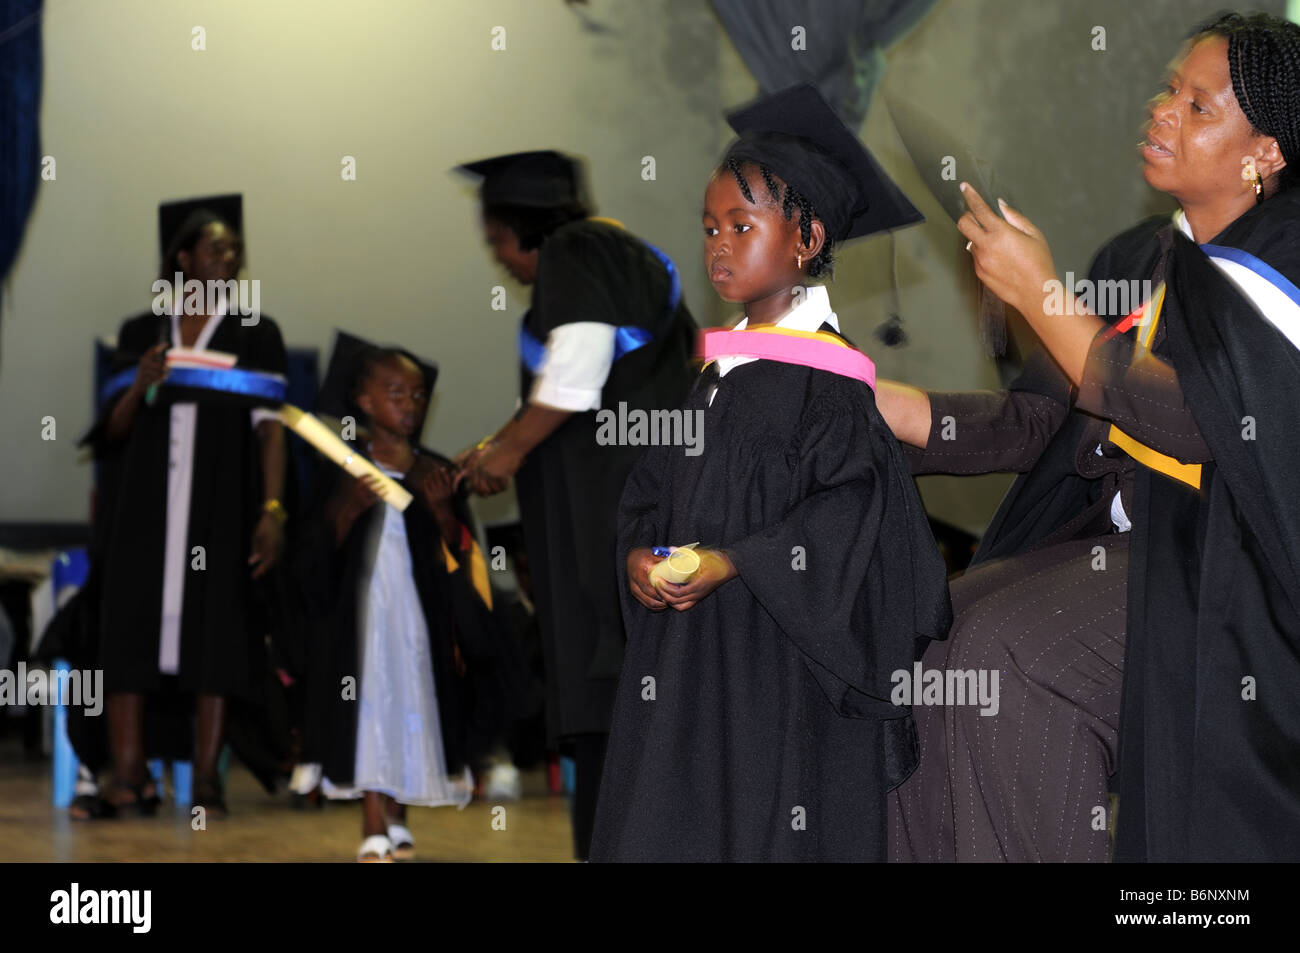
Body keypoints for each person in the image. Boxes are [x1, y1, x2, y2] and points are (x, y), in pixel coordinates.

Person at [886, 11, 1300, 861]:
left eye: (1197, 106)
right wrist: (890, 407)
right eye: (1167, 89)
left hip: (1232, 576)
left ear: (1266, 154)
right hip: (1129, 555)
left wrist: (1041, 297)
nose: (1162, 111)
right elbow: (1045, 416)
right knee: (925, 634)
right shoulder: (1136, 260)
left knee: (1010, 661)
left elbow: (1194, 421)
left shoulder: (1282, 267)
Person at [589, 85, 951, 862]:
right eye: (710, 228)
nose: (718, 245)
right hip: (690, 657)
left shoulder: (831, 382)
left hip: (774, 670)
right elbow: (654, 484)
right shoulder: (717, 370)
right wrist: (639, 552)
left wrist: (736, 561)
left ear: (807, 236)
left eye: (741, 226)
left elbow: (848, 518)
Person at [453, 150, 698, 859]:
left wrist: (508, 451)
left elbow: (579, 368)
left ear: (526, 226)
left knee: (613, 689)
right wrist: (498, 443)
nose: (499, 257)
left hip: (611, 514)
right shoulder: (621, 256)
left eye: (496, 238)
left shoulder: (576, 247)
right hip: (637, 499)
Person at [83, 195, 288, 817]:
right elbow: (113, 432)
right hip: (143, 510)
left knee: (214, 634)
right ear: (183, 256)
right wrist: (140, 384)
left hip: (218, 508)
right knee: (126, 634)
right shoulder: (141, 332)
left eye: (234, 249)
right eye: (215, 247)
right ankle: (128, 776)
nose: (228, 257)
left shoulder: (257, 333)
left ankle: (205, 780)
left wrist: (273, 509)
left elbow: (270, 428)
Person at [293, 342, 507, 862]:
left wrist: (442, 514)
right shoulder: (341, 468)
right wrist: (346, 510)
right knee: (370, 705)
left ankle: (397, 815)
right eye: (395, 393)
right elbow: (310, 557)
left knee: (412, 703)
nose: (410, 404)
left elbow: (464, 556)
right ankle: (371, 820)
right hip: (360, 620)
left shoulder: (434, 472)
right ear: (363, 400)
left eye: (417, 394)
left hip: (418, 615)